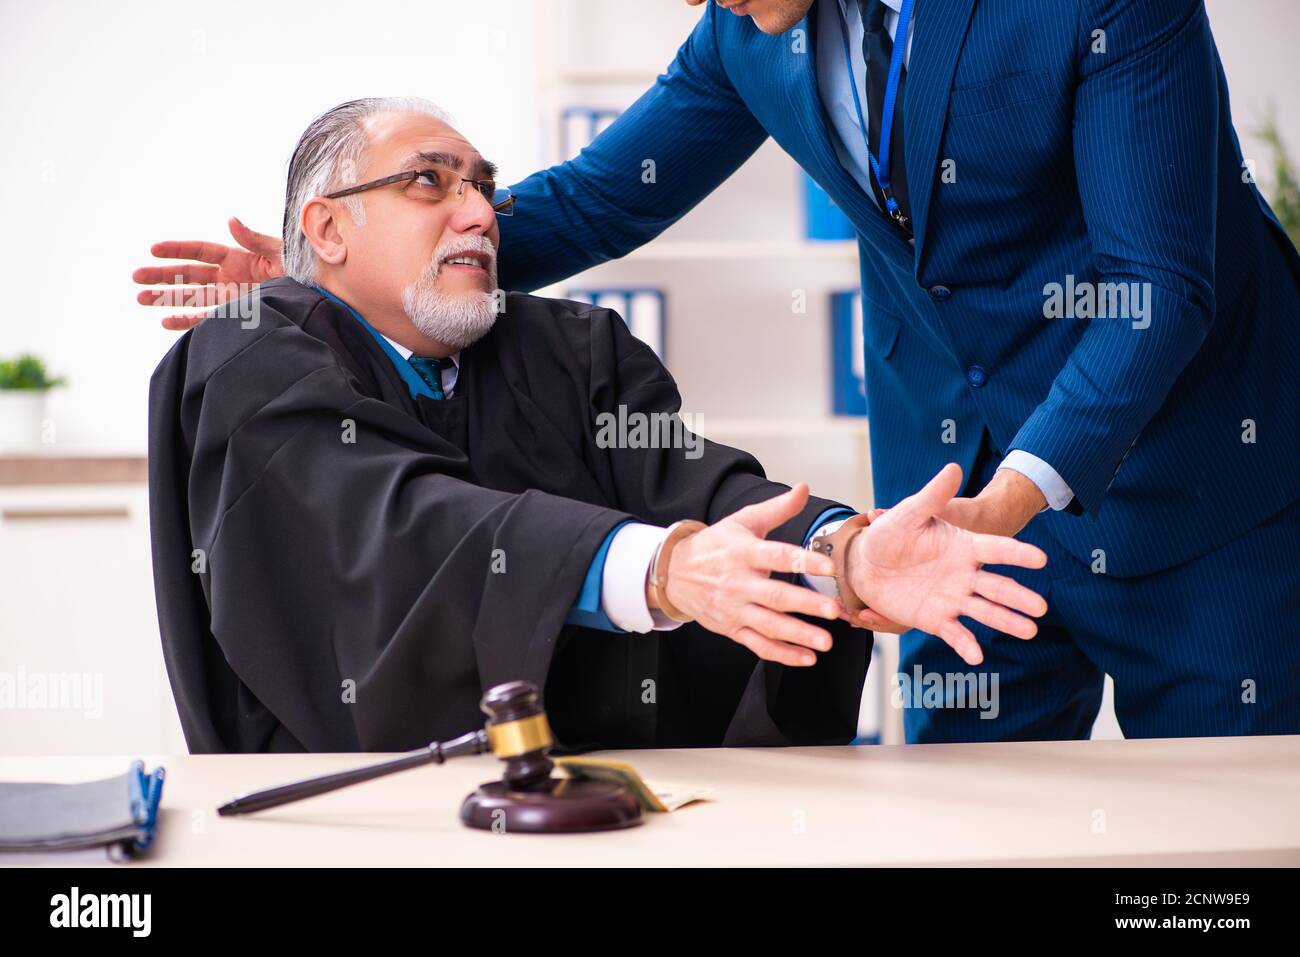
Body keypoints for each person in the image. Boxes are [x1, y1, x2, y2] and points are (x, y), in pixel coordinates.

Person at [138, 0, 1300, 741]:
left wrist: (986, 506)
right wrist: (348, 278)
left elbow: (1156, 286)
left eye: (472, 184)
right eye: (428, 184)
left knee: (1226, 838)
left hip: (1185, 467)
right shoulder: (746, 31)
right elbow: (601, 197)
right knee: (972, 813)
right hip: (940, 494)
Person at [147, 97, 1048, 753]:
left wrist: (841, 554)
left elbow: (712, 493)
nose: (478, 213)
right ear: (327, 229)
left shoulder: (572, 345)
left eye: (485, 189)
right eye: (430, 181)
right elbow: (397, 530)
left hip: (610, 819)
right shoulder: (247, 350)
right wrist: (658, 569)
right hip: (358, 830)